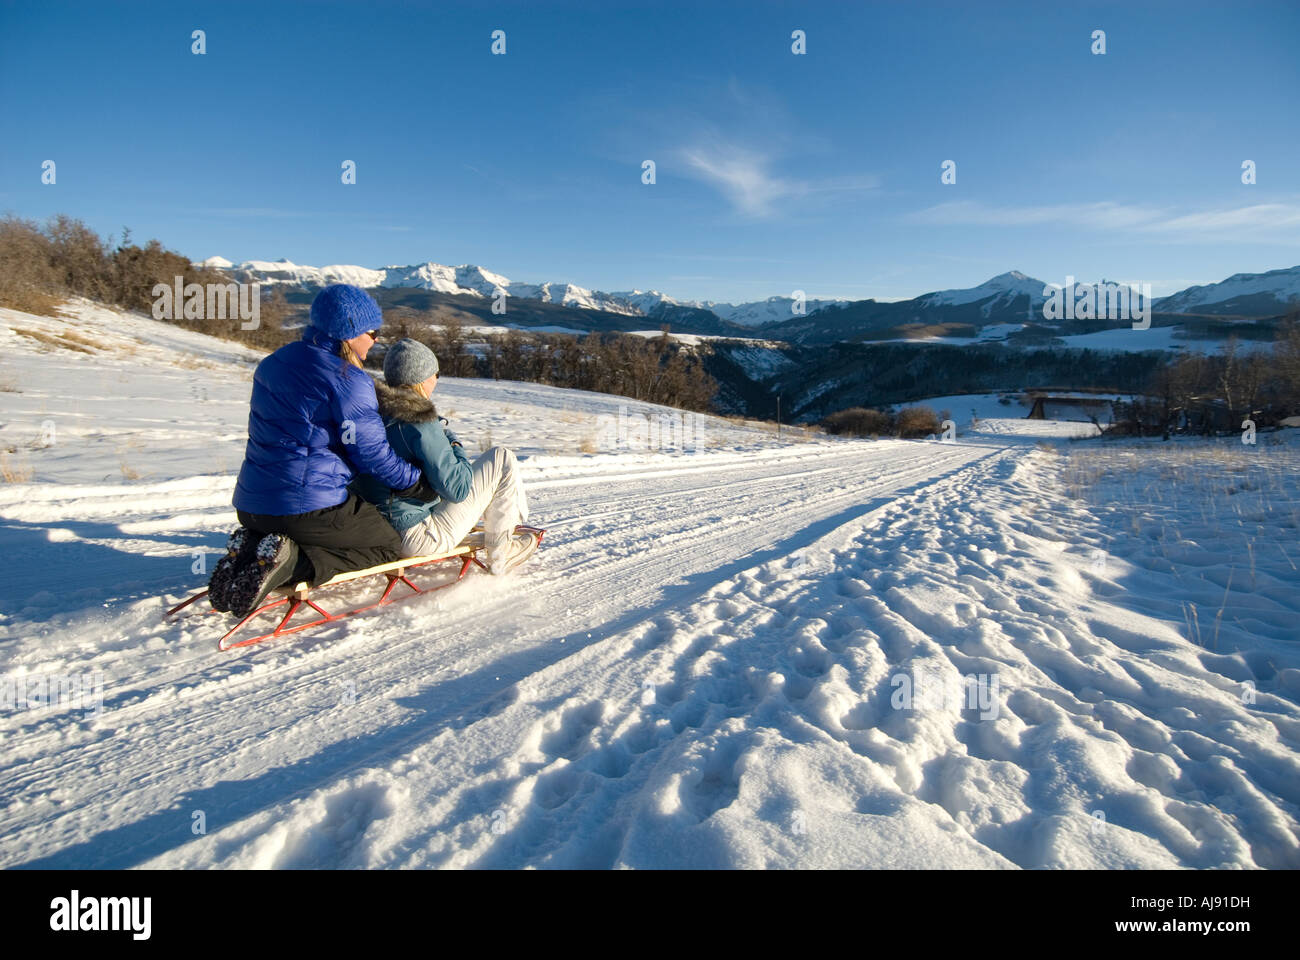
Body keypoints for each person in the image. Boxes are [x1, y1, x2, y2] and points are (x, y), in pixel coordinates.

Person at [209, 284, 437, 618]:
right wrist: (413, 483)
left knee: (336, 524)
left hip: (251, 506)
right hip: (304, 511)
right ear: (350, 334)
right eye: (373, 332)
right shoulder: (348, 379)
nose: (376, 340)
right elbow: (371, 453)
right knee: (387, 546)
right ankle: (291, 564)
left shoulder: (274, 364)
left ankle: (251, 553)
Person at [353, 337, 537, 574]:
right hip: (418, 537)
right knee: (501, 459)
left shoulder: (370, 411)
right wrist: (453, 442)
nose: (436, 381)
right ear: (421, 378)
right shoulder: (417, 419)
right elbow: (458, 489)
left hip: (377, 529)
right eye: (436, 375)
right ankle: (503, 552)